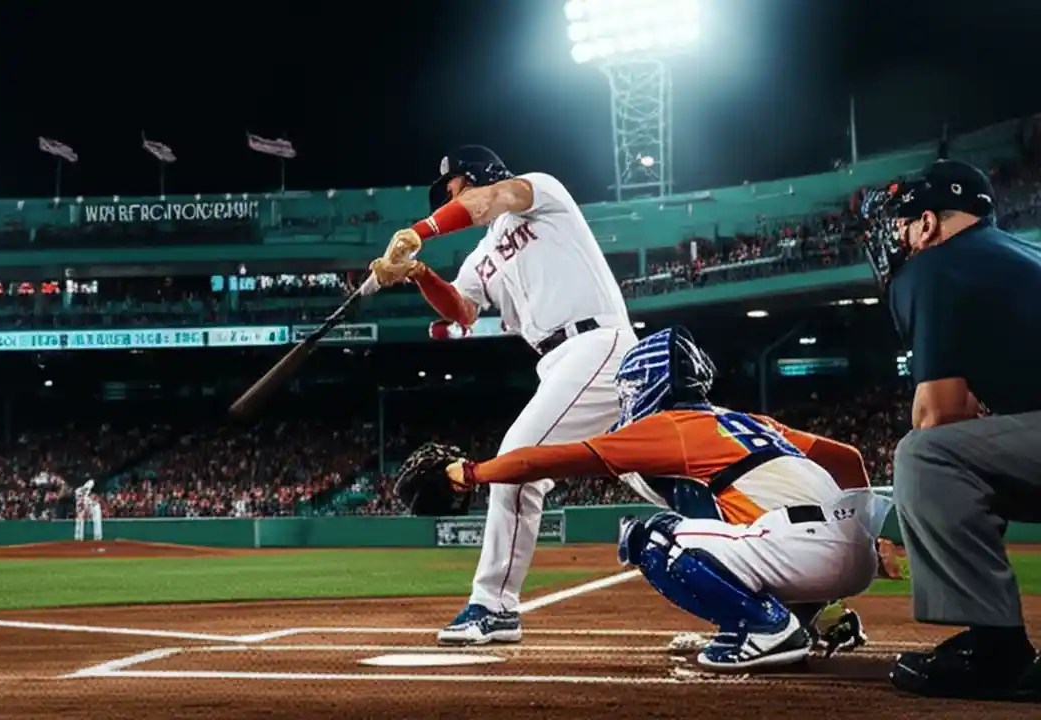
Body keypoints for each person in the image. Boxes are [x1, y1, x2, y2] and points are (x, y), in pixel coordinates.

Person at [438, 327, 893, 670]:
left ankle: (766, 627)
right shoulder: (748, 420)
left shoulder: (669, 426)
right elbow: (848, 456)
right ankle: (813, 622)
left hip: (805, 550)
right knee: (731, 522)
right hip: (850, 559)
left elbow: (541, 461)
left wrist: (473, 472)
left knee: (652, 539)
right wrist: (865, 534)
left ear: (649, 385)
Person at [368, 145, 639, 645]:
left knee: (517, 463)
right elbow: (463, 312)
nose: (452, 199)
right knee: (664, 477)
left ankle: (493, 606)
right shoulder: (481, 256)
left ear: (477, 176)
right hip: (559, 363)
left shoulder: (539, 191)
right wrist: (419, 273)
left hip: (598, 343)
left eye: (454, 189)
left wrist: (422, 232)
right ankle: (767, 590)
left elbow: (493, 199)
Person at [859, 158, 1041, 700]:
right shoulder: (1017, 254)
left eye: (904, 224)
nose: (901, 238)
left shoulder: (935, 267)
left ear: (930, 224)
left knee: (926, 456)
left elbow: (935, 416)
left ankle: (996, 652)